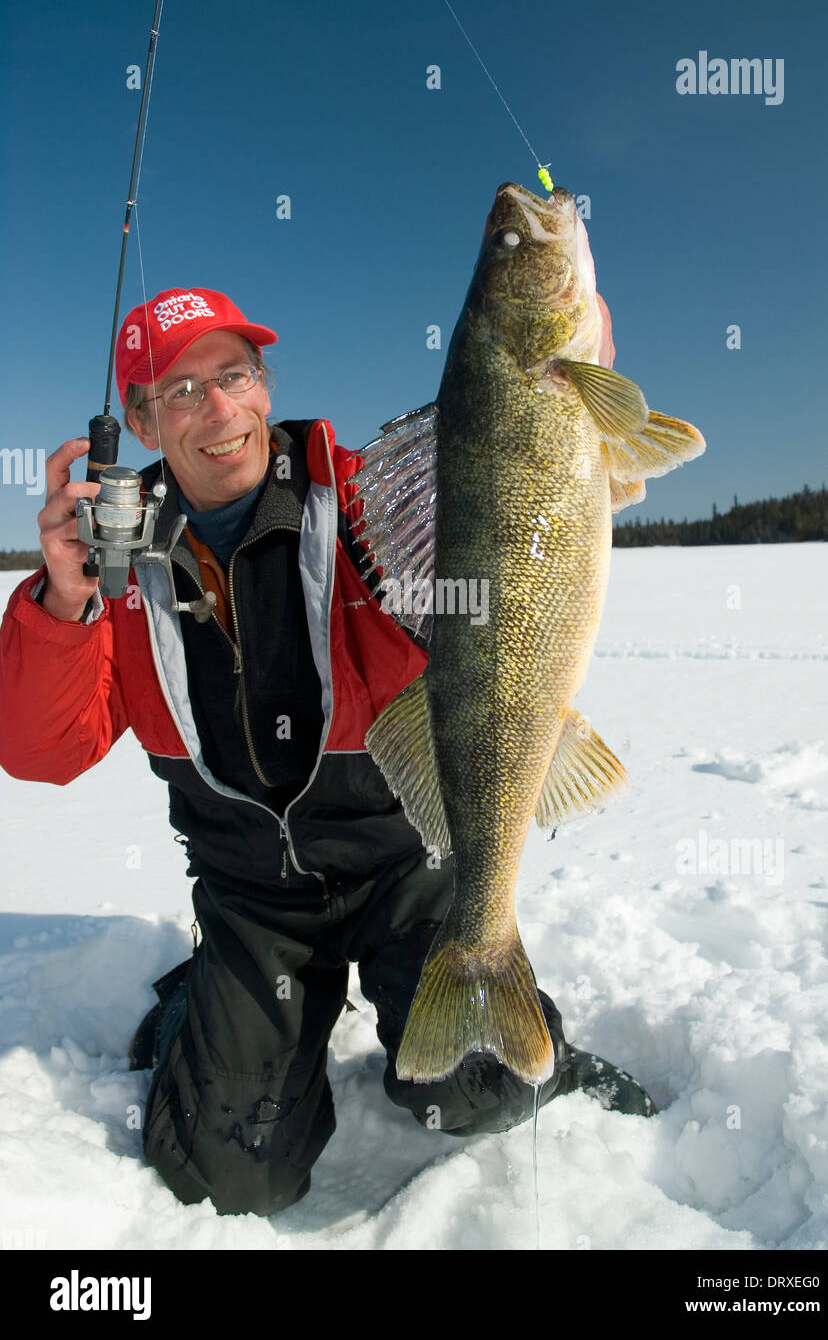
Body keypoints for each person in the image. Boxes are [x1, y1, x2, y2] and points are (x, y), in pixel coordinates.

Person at [0, 287, 653, 1217]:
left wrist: (575, 416)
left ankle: (542, 1048)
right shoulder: (113, 561)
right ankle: (207, 1004)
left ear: (264, 386)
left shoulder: (371, 500)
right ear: (140, 419)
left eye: (234, 375)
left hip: (402, 864)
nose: (219, 409)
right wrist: (61, 609)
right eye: (181, 390)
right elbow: (43, 751)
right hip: (254, 897)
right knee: (226, 1174)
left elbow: (516, 529)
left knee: (482, 1088)